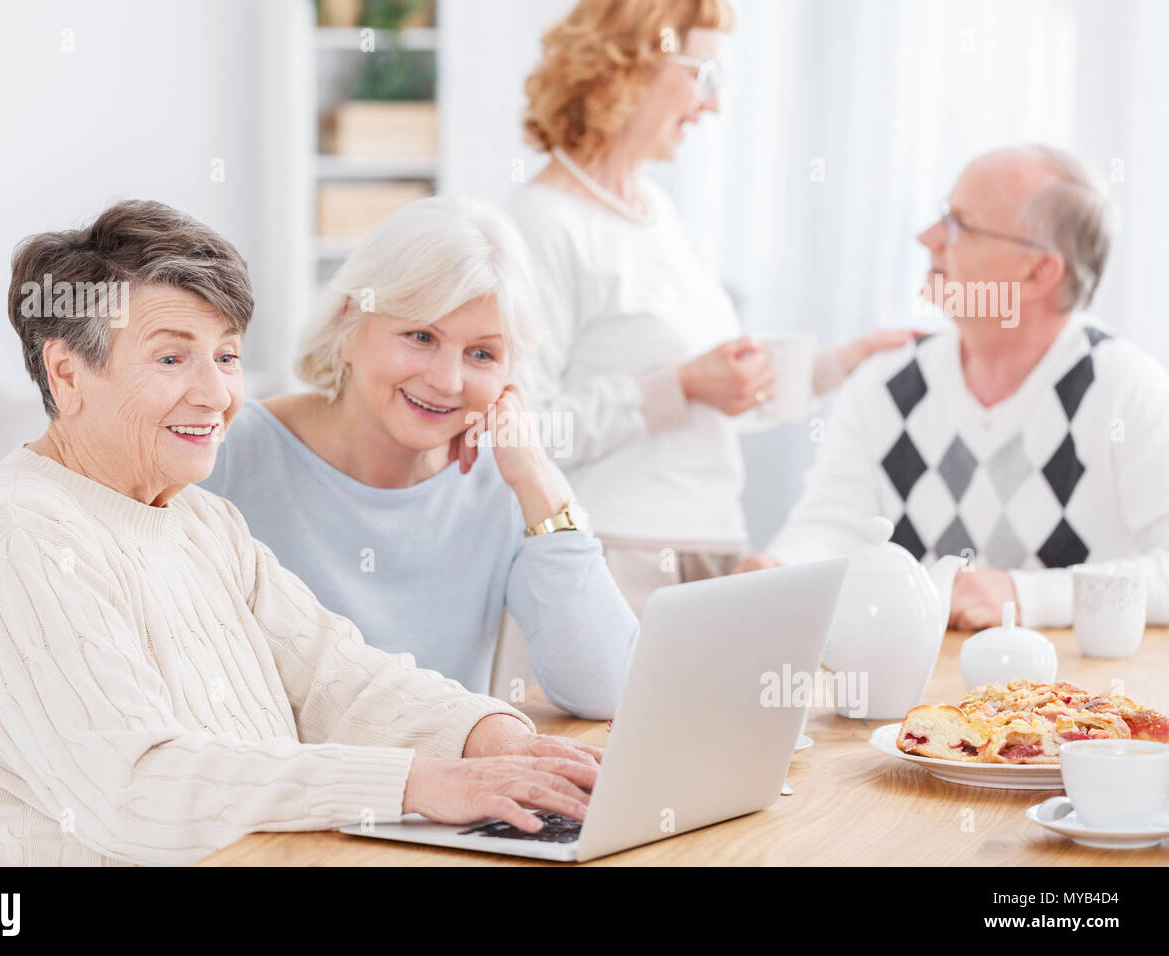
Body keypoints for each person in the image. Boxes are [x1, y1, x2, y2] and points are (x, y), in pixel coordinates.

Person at [0, 200, 602, 866]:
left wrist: (502, 744)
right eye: (171, 358)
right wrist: (419, 783)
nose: (217, 394)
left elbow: (337, 677)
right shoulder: (13, 535)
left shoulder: (199, 519)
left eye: (226, 356)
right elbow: (137, 787)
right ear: (67, 375)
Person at [507, 0, 914, 616]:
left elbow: (723, 393)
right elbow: (527, 433)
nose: (713, 104)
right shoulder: (542, 222)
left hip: (712, 549)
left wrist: (842, 364)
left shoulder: (659, 214)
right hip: (614, 558)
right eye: (703, 76)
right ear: (627, 66)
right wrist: (679, 385)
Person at [200, 196, 637, 720]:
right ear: (349, 325)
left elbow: (607, 687)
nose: (447, 381)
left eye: (482, 353)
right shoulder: (228, 450)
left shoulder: (507, 481)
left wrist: (538, 479)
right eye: (421, 337)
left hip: (445, 772)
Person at [738, 145, 1169, 631]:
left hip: (1072, 683)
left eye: (960, 225)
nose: (927, 238)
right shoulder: (884, 384)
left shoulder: (1128, 390)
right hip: (922, 682)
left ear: (1039, 271)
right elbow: (833, 528)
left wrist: (1026, 596)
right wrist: (783, 572)